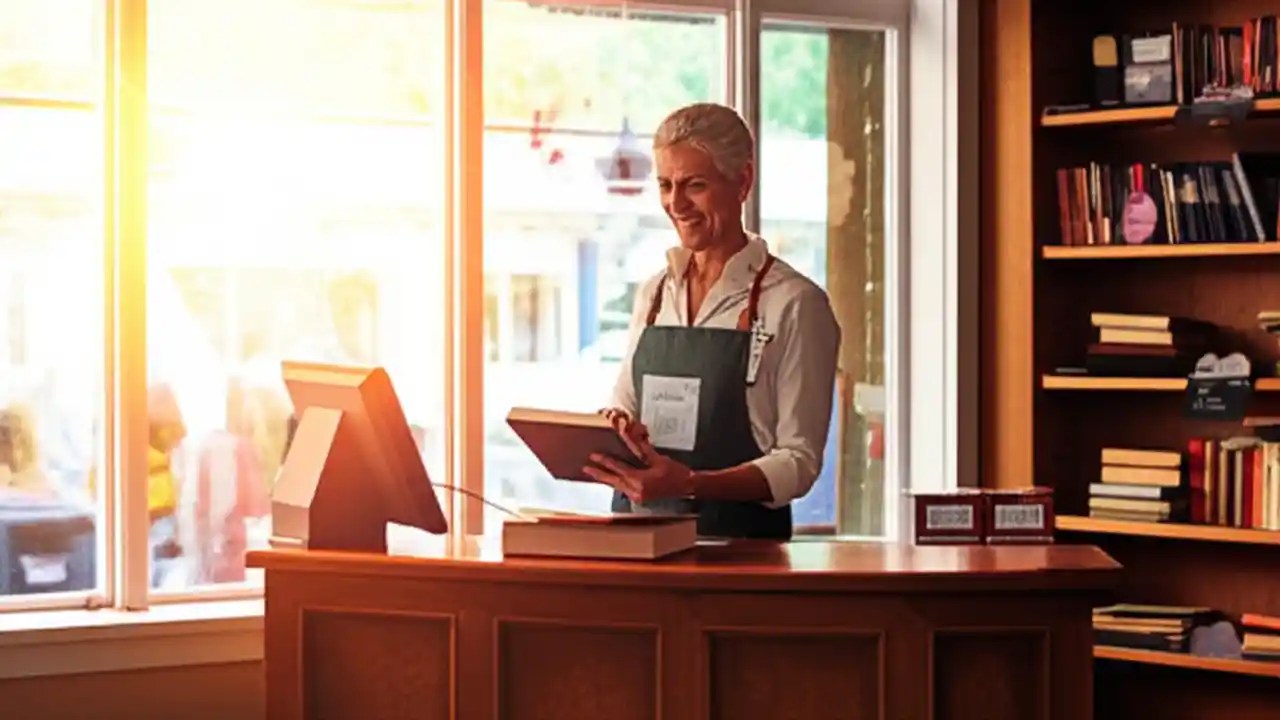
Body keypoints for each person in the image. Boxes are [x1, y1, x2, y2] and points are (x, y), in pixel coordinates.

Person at [583, 102, 841, 540]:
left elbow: (798, 463)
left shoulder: (795, 304)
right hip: (637, 547)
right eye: (665, 185)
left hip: (741, 562)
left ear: (743, 181)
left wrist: (689, 484)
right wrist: (613, 430)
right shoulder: (653, 294)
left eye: (694, 185)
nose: (675, 203)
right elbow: (624, 407)